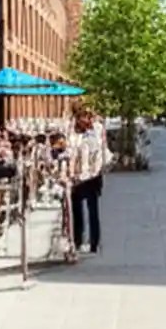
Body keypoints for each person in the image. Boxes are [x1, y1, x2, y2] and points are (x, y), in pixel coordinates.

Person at [69, 108, 106, 253]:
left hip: (92, 177)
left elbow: (100, 153)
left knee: (93, 210)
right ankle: (77, 240)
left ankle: (94, 243)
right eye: (79, 118)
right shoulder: (74, 133)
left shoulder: (96, 132)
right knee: (76, 209)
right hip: (77, 177)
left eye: (83, 117)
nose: (81, 120)